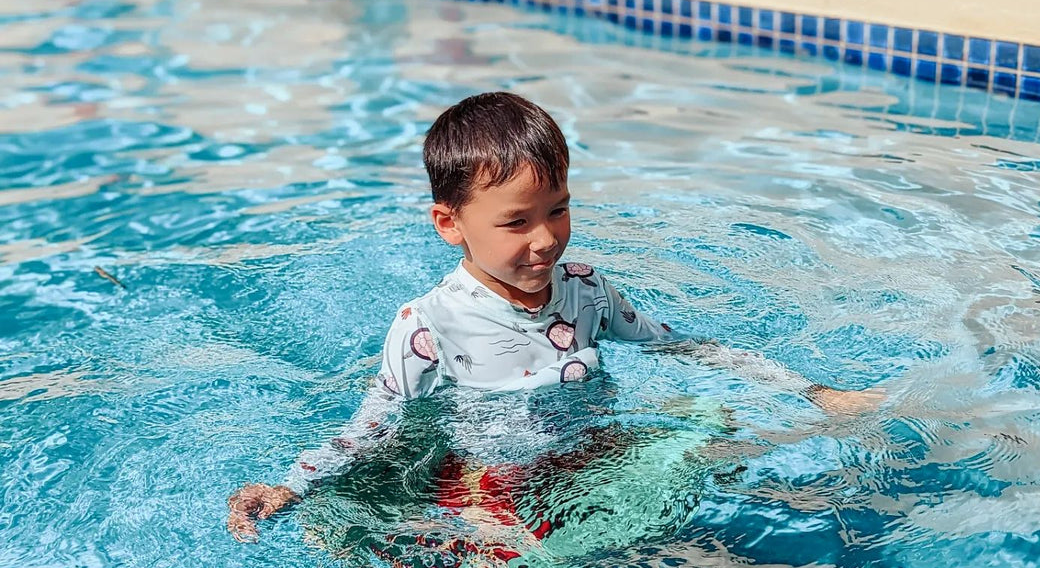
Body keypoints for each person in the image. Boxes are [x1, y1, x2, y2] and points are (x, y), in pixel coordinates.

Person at [227, 90, 880, 543]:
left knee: (718, 438)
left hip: (591, 452)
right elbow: (371, 426)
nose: (545, 239)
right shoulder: (429, 328)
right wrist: (292, 486)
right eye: (516, 222)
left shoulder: (587, 290)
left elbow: (681, 348)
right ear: (449, 224)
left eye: (558, 210)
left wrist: (814, 393)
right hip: (494, 484)